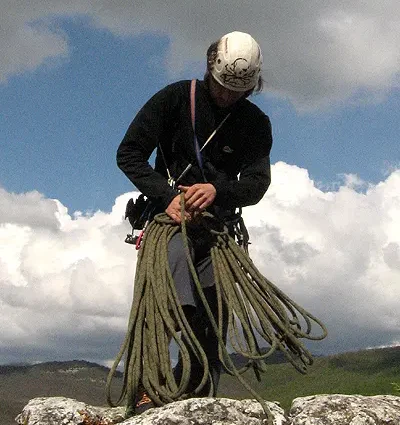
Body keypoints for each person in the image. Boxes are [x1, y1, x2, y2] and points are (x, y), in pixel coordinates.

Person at [116, 30, 273, 413]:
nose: (227, 96)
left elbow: (257, 182)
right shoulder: (173, 99)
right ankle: (147, 389)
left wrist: (219, 192)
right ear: (210, 69)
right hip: (169, 224)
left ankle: (198, 394)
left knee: (212, 312)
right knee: (169, 298)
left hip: (217, 231)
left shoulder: (255, 122)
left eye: (237, 91)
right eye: (222, 87)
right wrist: (168, 197)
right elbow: (130, 153)